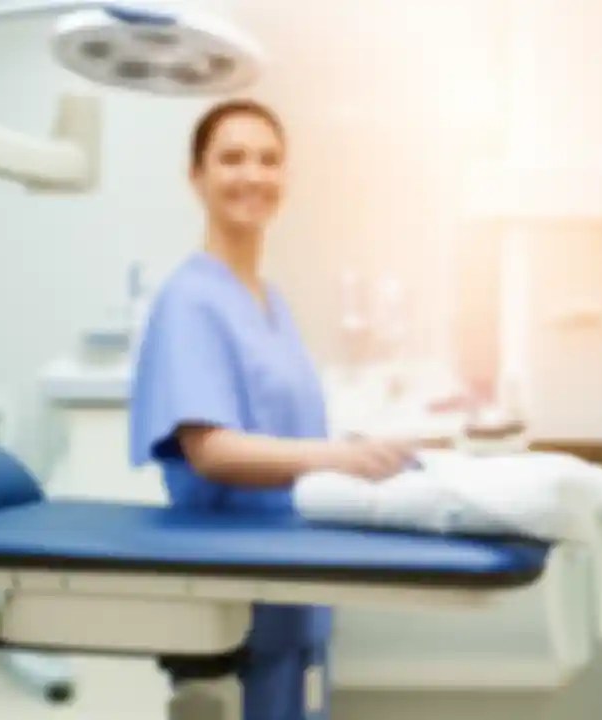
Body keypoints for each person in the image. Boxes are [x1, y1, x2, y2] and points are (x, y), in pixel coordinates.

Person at [129, 98, 415, 720]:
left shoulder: (271, 301)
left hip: (292, 568)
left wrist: (357, 452)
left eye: (268, 160)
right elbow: (212, 450)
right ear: (195, 177)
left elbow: (283, 426)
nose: (252, 175)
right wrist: (340, 459)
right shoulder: (189, 300)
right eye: (231, 158)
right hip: (238, 574)